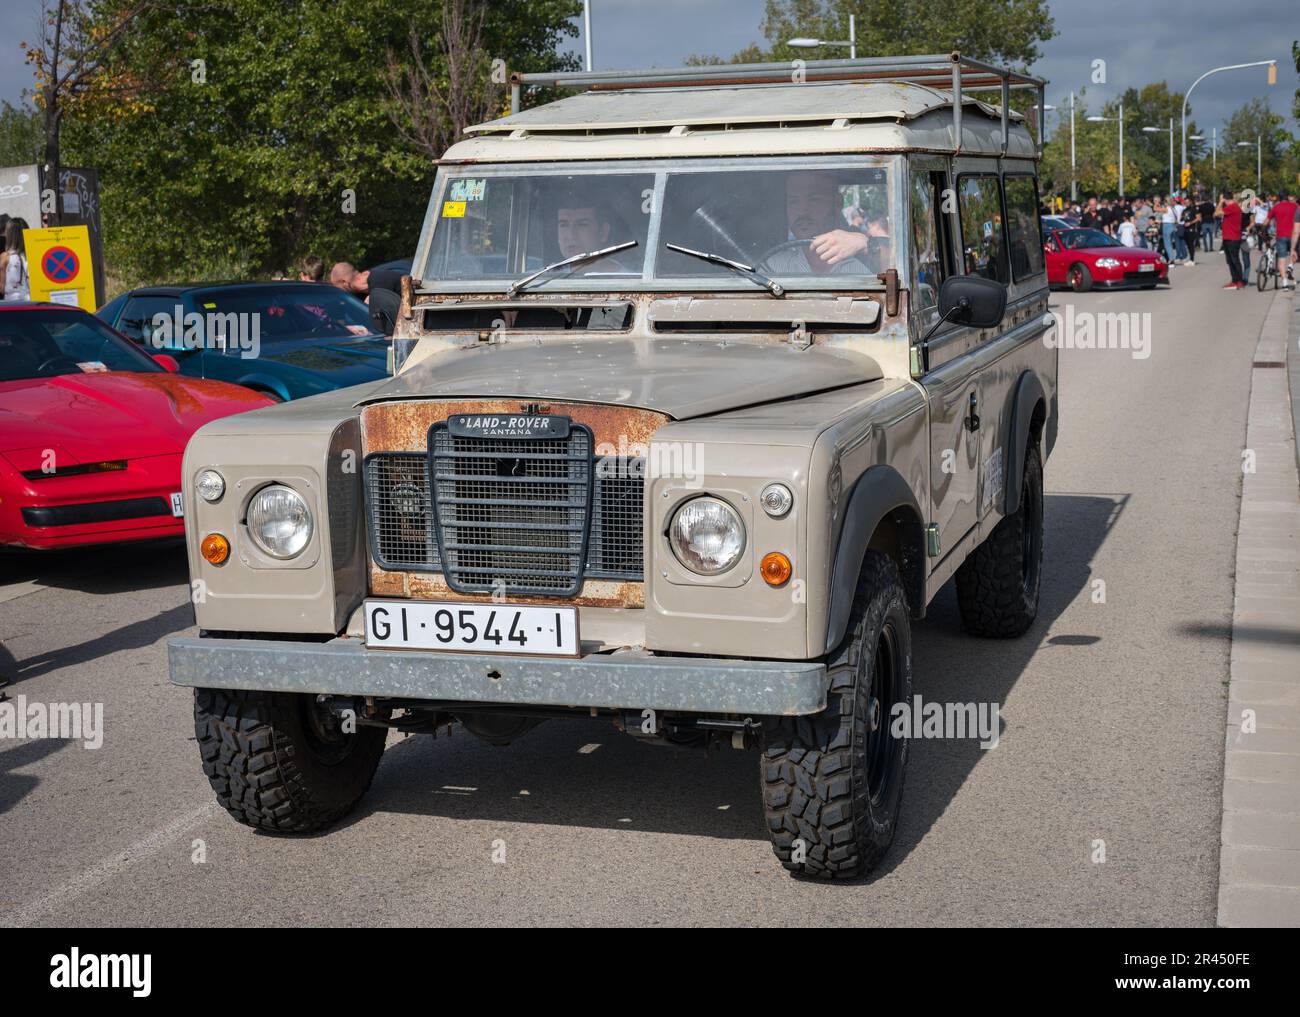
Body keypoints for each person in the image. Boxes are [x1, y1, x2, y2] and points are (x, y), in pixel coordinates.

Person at [765, 171, 878, 275]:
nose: (802, 211)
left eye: (814, 200)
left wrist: (866, 244)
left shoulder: (866, 264)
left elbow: (887, 274)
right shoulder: (772, 267)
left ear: (837, 203)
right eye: (793, 201)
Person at [1265, 193, 1296, 289]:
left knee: (1281, 259)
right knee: (1294, 253)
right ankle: (1290, 266)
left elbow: (1267, 220)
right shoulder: (1295, 206)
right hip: (1293, 235)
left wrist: (1262, 229)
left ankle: (1285, 284)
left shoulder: (1276, 207)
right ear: (1287, 197)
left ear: (1279, 198)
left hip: (1281, 235)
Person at [1217, 191, 1245, 289]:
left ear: (1225, 199)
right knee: (1230, 260)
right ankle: (1234, 280)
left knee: (1234, 260)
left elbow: (1216, 213)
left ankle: (1239, 280)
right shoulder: (1231, 207)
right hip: (1228, 237)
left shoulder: (1232, 207)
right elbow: (1217, 214)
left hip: (1232, 237)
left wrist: (1220, 202)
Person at [3, 217, 30, 301]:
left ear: (9, 235)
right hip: (32, 302)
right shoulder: (33, 255)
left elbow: (1, 287)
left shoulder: (4, 257)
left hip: (12, 304)